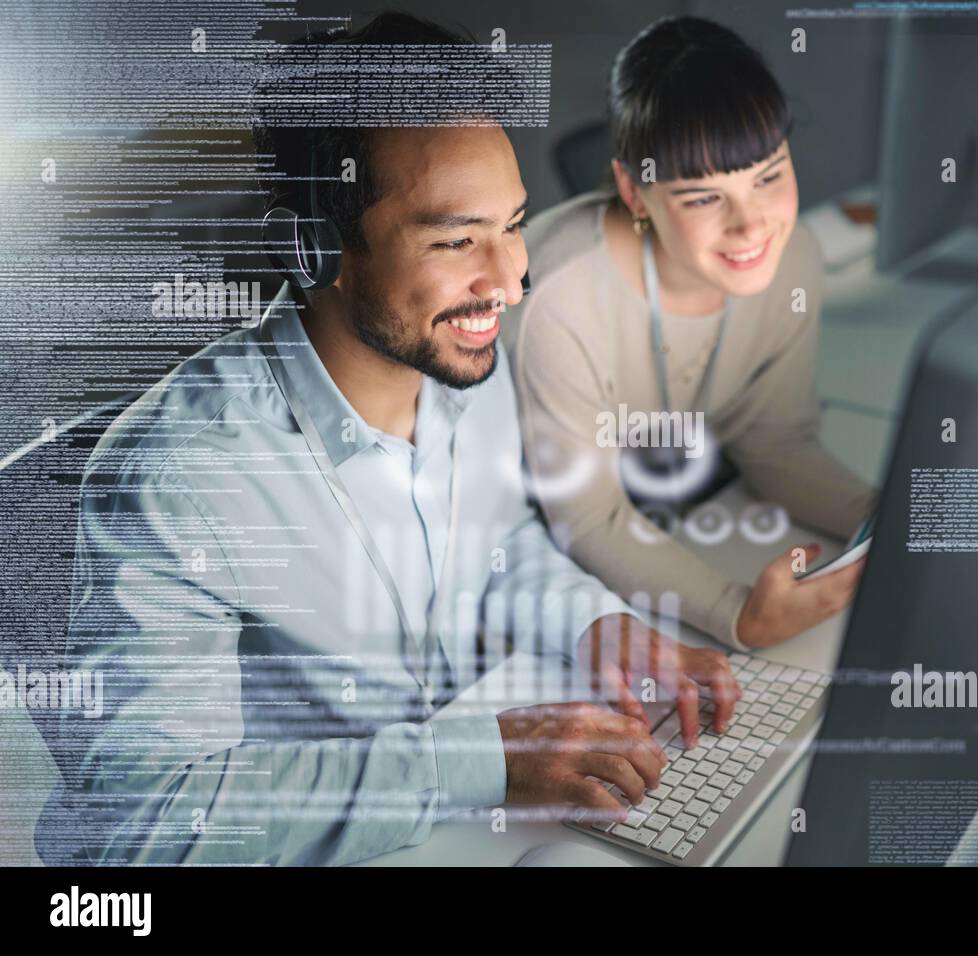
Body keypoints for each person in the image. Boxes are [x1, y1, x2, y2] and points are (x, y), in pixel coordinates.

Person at [35, 12, 738, 867]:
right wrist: (483, 761)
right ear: (312, 247)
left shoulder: (460, 359)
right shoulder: (182, 477)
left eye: (513, 224)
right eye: (454, 240)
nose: (510, 279)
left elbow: (499, 542)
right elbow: (141, 824)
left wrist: (602, 628)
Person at [508, 17, 879, 651]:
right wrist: (737, 615)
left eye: (769, 175)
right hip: (524, 546)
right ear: (636, 191)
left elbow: (773, 440)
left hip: (664, 506)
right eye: (704, 198)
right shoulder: (561, 302)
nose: (752, 226)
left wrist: (886, 521)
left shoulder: (794, 260)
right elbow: (590, 516)